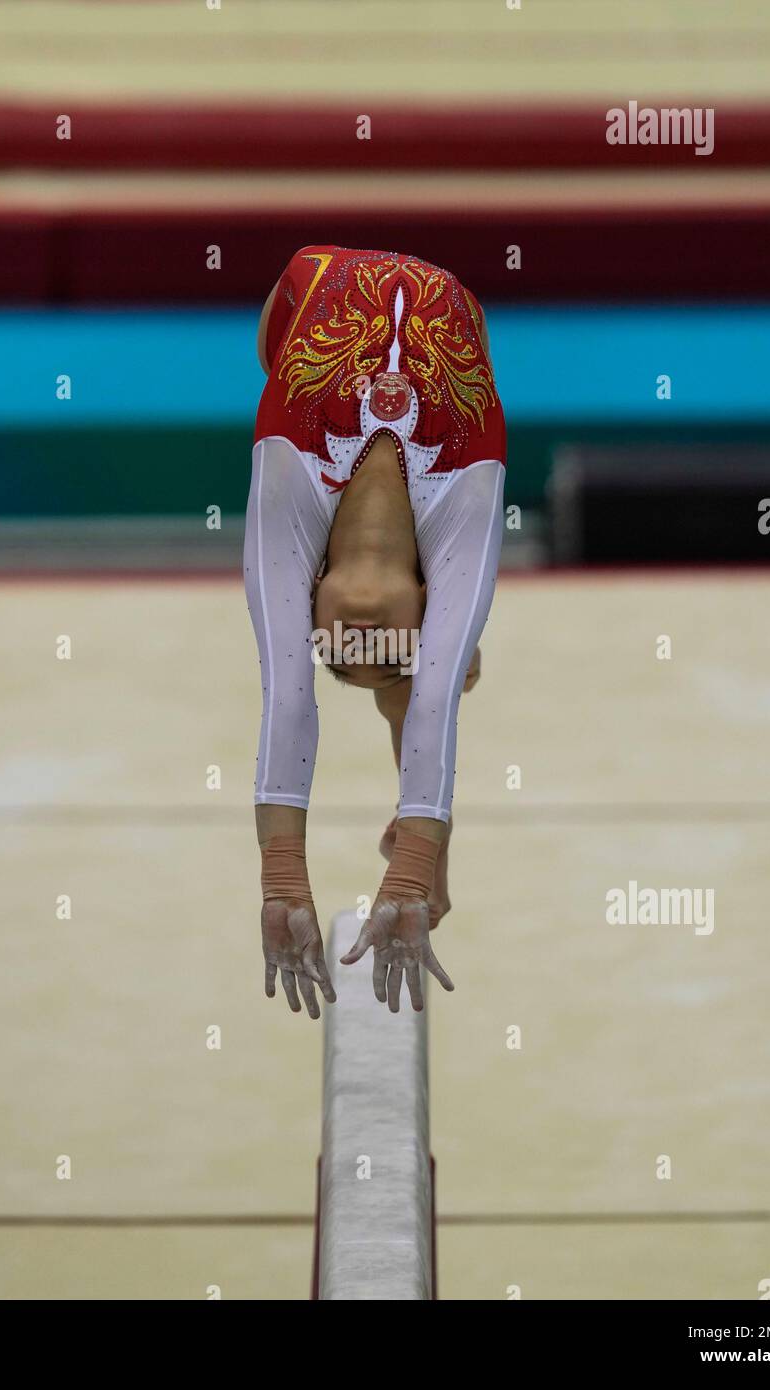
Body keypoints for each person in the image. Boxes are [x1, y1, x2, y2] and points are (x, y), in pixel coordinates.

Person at [245, 245, 506, 1016]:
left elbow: (288, 702)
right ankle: (420, 826)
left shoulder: (284, 509)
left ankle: (417, 815)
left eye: (340, 652)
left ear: (310, 593)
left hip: (299, 291)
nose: (360, 639)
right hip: (462, 316)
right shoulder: (468, 498)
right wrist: (418, 870)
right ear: (427, 595)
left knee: (431, 684)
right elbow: (431, 705)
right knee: (435, 686)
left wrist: (282, 880)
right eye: (384, 648)